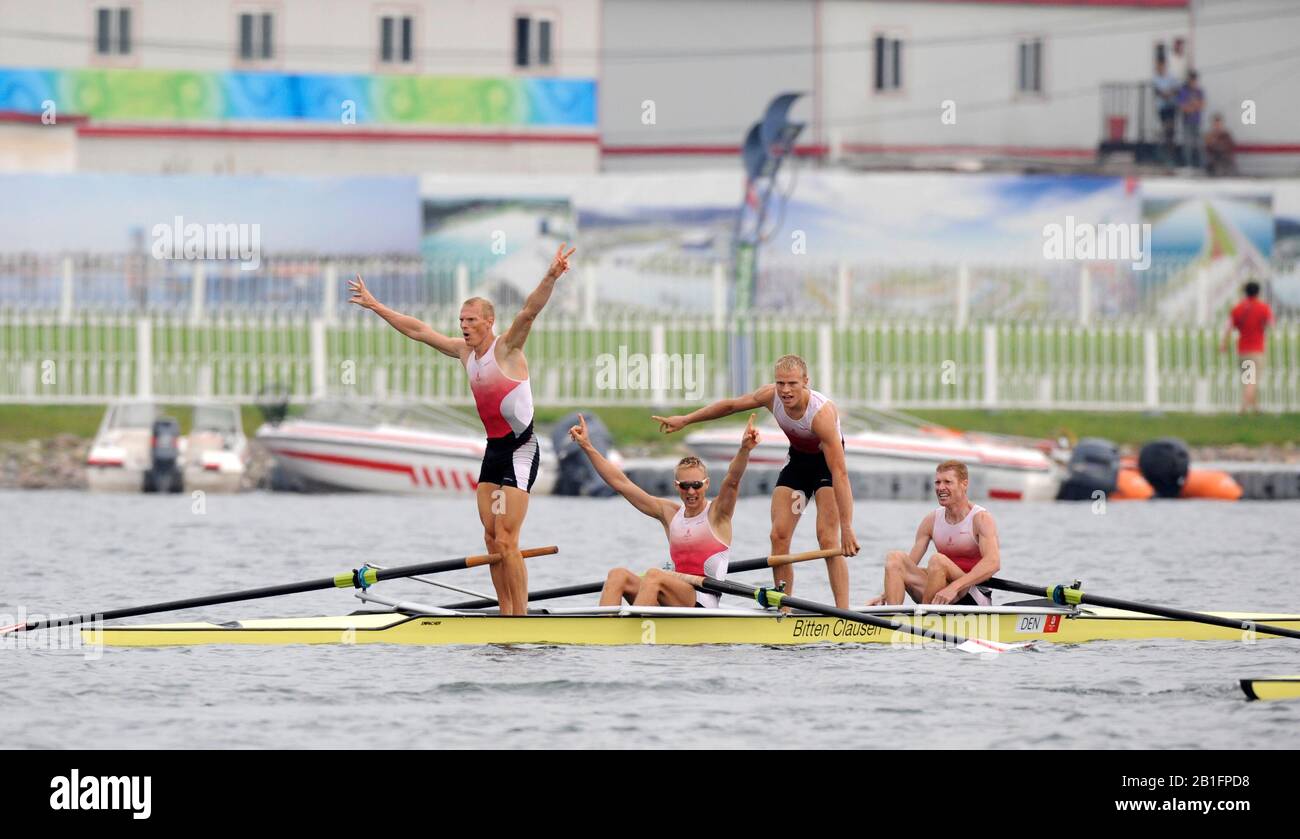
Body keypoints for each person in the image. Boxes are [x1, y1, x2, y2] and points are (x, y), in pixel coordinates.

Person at [349, 243, 576, 615]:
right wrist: (376, 306)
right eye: (461, 321)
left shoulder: (507, 350)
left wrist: (550, 276)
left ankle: (520, 616)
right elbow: (419, 330)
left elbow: (529, 312)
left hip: (521, 449)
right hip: (493, 452)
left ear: (489, 322)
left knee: (507, 537)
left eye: (471, 320)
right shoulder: (463, 352)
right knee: (491, 538)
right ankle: (505, 612)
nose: (464, 326)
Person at [651, 354, 858, 608]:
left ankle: (844, 612)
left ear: (806, 382)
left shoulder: (821, 414)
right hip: (798, 464)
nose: (785, 390)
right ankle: (785, 607)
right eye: (780, 383)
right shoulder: (770, 396)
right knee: (778, 536)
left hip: (826, 468)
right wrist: (686, 419)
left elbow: (841, 473)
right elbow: (730, 406)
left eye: (792, 383)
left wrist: (847, 528)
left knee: (828, 539)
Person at [568, 414, 757, 608]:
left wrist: (744, 449)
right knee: (618, 575)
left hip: (702, 600)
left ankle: (634, 629)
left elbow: (732, 480)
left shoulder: (718, 514)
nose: (691, 491)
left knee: (654, 575)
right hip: (670, 594)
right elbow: (620, 483)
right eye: (684, 486)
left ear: (706, 484)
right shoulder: (669, 513)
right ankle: (604, 630)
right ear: (677, 486)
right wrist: (587, 446)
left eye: (696, 485)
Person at [867, 460, 1001, 607]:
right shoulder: (931, 520)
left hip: (972, 595)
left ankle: (925, 616)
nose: (941, 488)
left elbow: (993, 563)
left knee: (938, 561)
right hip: (940, 592)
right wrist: (885, 594)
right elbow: (908, 566)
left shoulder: (981, 519)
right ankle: (891, 616)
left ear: (964, 484)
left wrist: (953, 588)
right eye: (937, 482)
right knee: (895, 558)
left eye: (947, 482)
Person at [1221, 281, 1274, 414]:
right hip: (1256, 349)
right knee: (1252, 381)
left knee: (1248, 380)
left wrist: (1224, 343)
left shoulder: (1237, 308)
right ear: (1258, 292)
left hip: (1242, 349)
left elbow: (1228, 327)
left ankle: (1256, 408)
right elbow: (1271, 324)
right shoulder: (1263, 308)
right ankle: (1243, 408)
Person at [1152, 58, 1180, 166]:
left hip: (1171, 106)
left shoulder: (1171, 77)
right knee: (1165, 129)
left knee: (1171, 131)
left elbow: (1177, 88)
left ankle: (1171, 155)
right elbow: (1157, 91)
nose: (1161, 68)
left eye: (1162, 66)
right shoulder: (1155, 79)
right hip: (1162, 108)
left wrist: (1169, 93)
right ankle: (1164, 155)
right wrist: (1166, 94)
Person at [1178, 71, 1205, 169]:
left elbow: (1202, 105)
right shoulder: (1184, 91)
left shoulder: (1199, 92)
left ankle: (1201, 165)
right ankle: (1187, 164)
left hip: (1197, 121)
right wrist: (1193, 106)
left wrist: (1193, 105)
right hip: (1187, 121)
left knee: (1199, 143)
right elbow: (1183, 108)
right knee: (1187, 144)